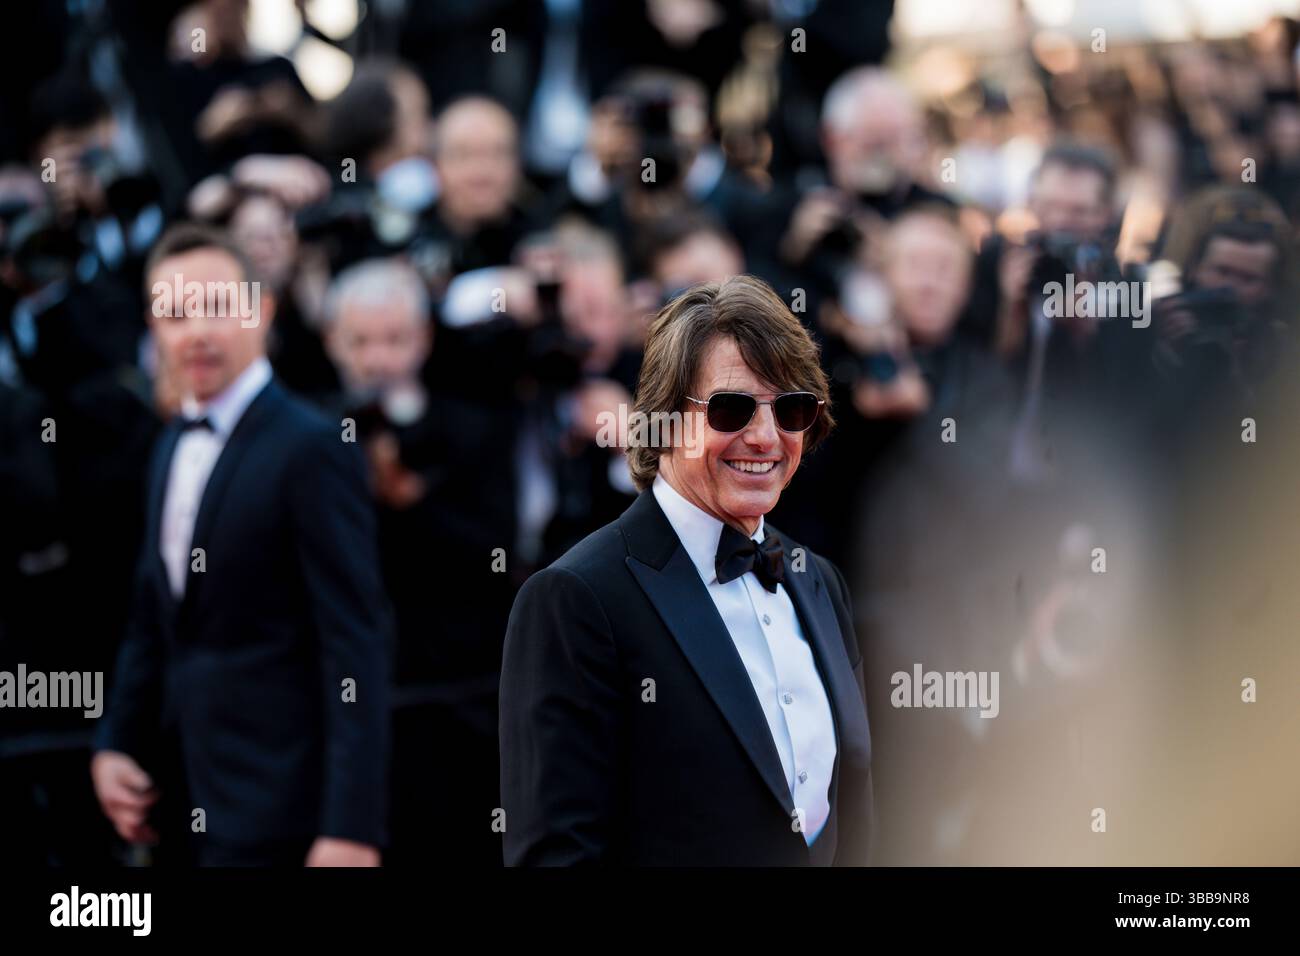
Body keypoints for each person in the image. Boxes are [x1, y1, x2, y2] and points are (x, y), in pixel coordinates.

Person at [499, 274, 873, 865]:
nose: (765, 436)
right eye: (731, 409)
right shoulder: (577, 598)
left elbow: (851, 825)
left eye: (793, 408)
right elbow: (558, 855)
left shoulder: (817, 580)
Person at [90, 223, 391, 866]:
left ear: (262, 310)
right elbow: (153, 617)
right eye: (174, 314)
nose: (195, 331)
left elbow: (355, 641)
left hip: (290, 815)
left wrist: (351, 827)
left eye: (217, 307)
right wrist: (117, 740)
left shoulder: (311, 447)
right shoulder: (170, 444)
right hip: (186, 800)